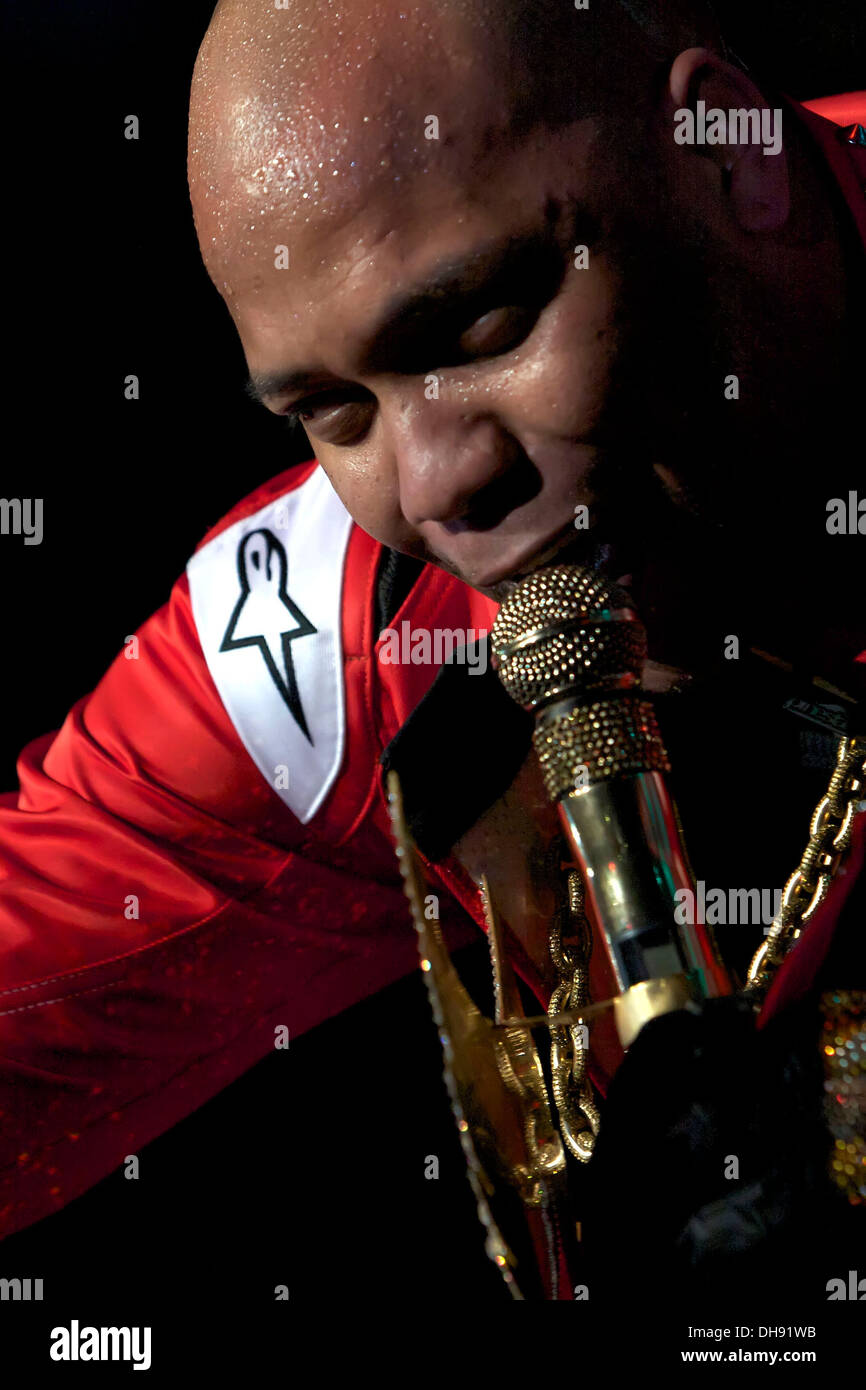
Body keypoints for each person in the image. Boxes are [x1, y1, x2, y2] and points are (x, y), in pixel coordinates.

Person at [0, 0, 863, 1304]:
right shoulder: (331, 635)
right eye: (333, 411)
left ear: (729, 149)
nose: (435, 484)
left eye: (480, 329)